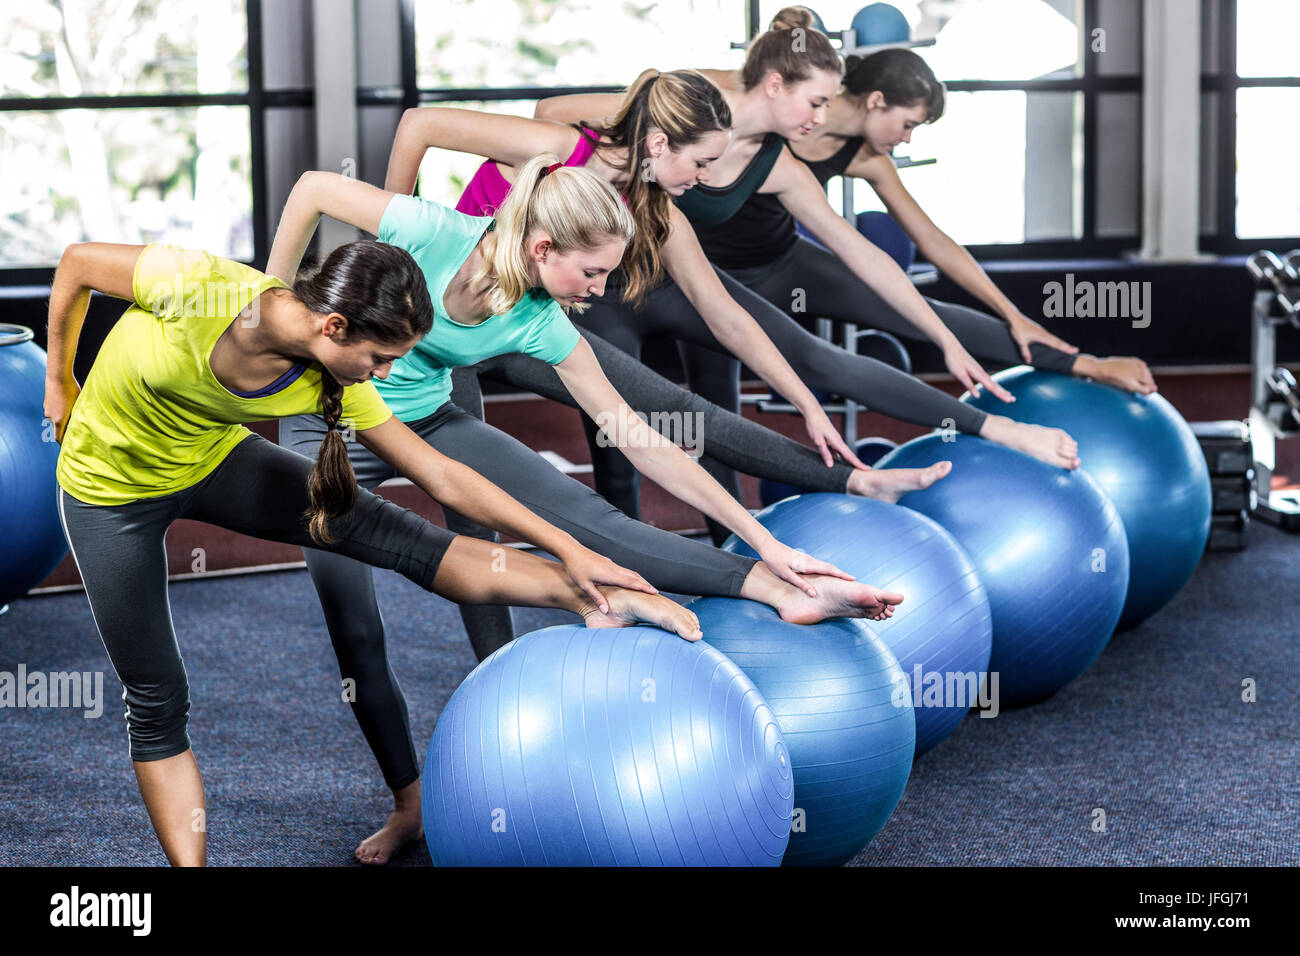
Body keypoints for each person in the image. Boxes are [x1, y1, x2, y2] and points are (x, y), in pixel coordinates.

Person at [270, 155, 907, 863]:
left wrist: (764, 542)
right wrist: (269, 299)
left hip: (429, 421)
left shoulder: (544, 323)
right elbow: (313, 188)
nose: (599, 291)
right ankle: (409, 801)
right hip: (329, 427)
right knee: (354, 630)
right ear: (543, 248)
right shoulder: (431, 231)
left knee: (588, 521)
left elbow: (640, 440)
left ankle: (778, 588)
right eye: (593, 273)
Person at [43, 238, 700, 866]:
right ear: (333, 326)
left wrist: (570, 550)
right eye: (381, 359)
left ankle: (597, 597)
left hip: (209, 458)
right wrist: (61, 382)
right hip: (109, 492)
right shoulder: (200, 286)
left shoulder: (335, 374)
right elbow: (76, 265)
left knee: (401, 537)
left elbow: (441, 477)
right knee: (159, 698)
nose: (385, 374)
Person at [532, 15, 1157, 526]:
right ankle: (626, 572)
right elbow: (557, 118)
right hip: (623, 284)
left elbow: (865, 253)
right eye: (816, 101)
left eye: (829, 101)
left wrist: (944, 337)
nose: (822, 115)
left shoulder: (784, 164)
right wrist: (546, 209)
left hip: (716, 281)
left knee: (771, 386)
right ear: (775, 85)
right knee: (632, 433)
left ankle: (737, 551)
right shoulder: (690, 107)